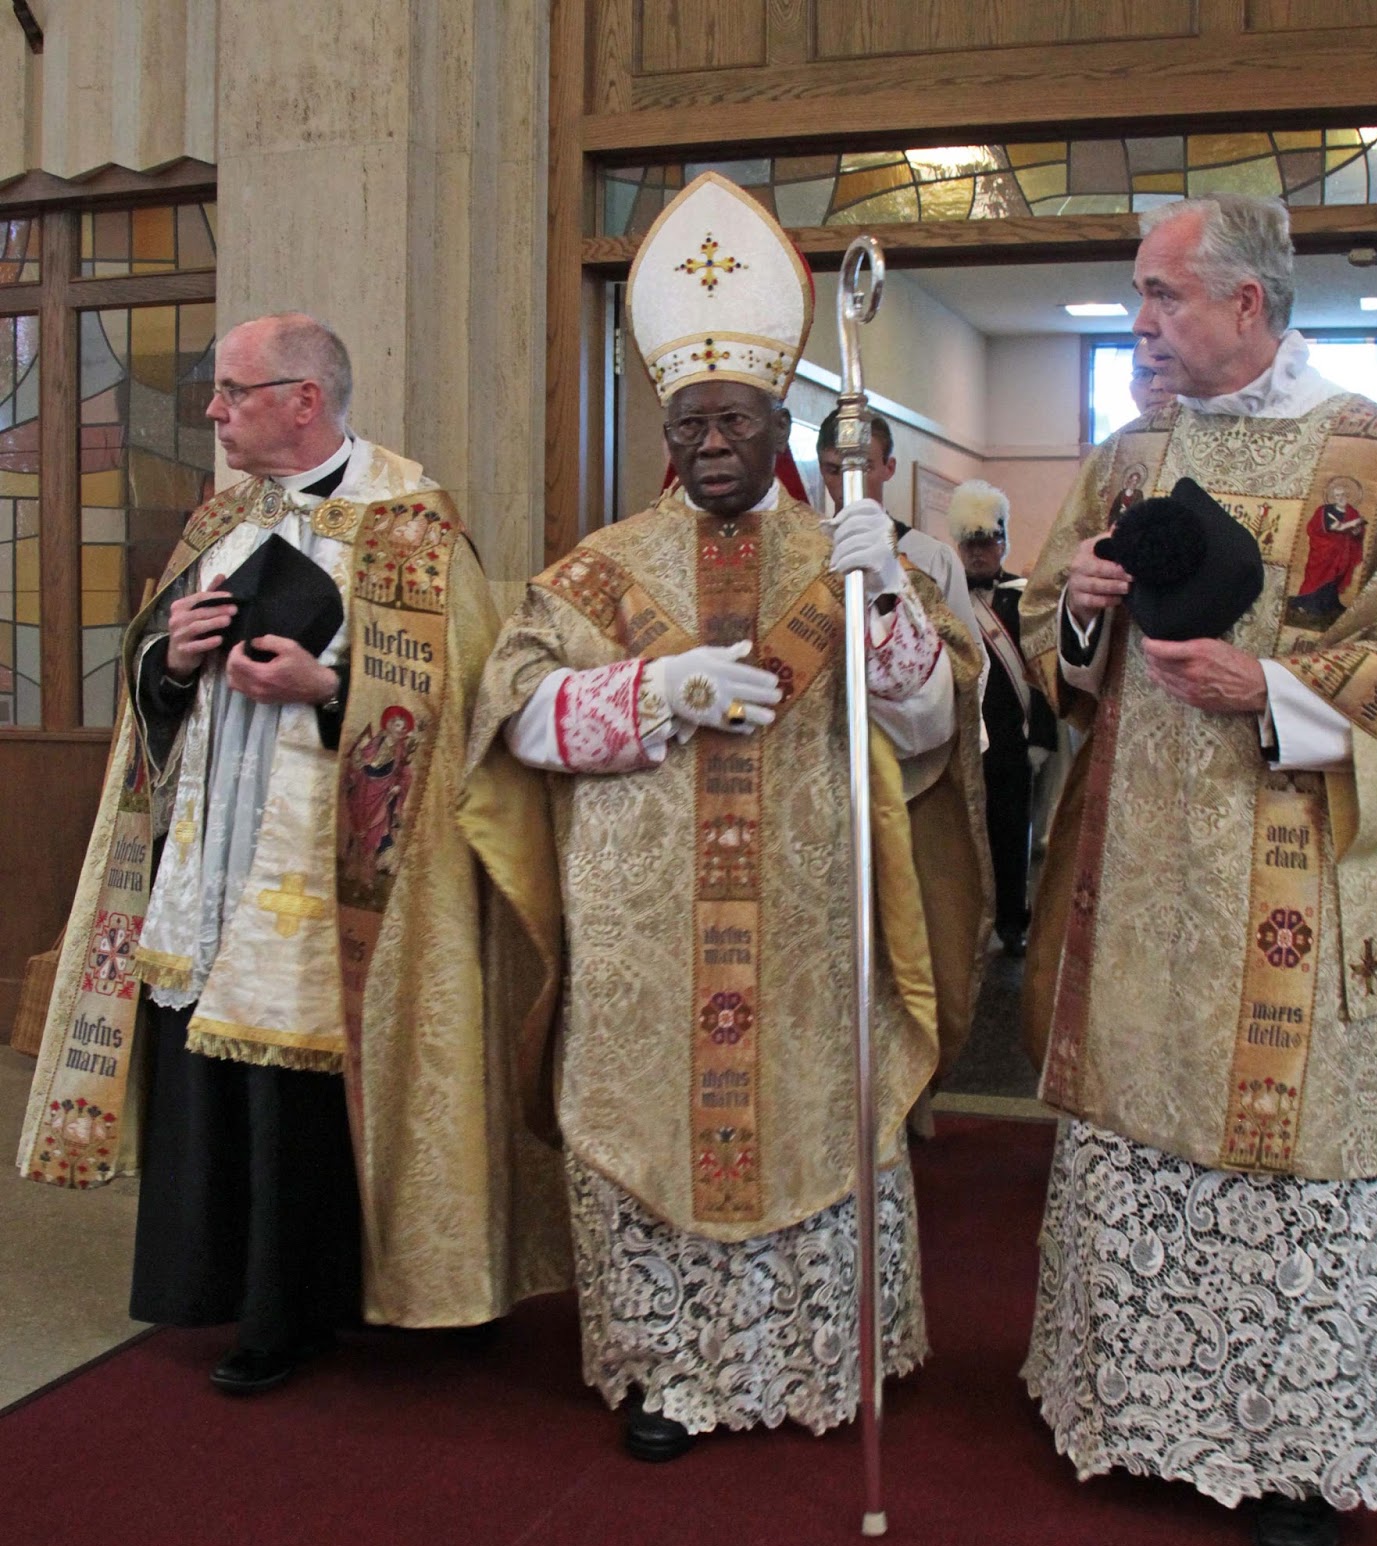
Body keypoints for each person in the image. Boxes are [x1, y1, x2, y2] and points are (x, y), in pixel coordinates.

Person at [1016, 196, 1377, 1546]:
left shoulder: (1373, 462)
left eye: (1160, 294)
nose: (1138, 321)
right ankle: (1126, 1407)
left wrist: (1277, 690)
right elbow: (1049, 641)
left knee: (1290, 1160)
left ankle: (1293, 1457)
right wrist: (1076, 604)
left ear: (1249, 304)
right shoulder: (1130, 455)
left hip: (1295, 875)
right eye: (1136, 296)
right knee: (1135, 1117)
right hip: (1138, 883)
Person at [461, 173, 988, 1463]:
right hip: (646, 947)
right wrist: (651, 688)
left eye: (734, 420)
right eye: (688, 420)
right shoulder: (597, 568)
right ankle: (663, 1373)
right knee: (650, 1138)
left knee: (817, 1128)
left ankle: (814, 1366)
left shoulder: (854, 558)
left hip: (809, 931)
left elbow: (929, 740)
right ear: (666, 426)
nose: (709, 443)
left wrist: (886, 608)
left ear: (778, 423)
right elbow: (512, 721)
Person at [18, 313, 567, 1393]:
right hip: (215, 853)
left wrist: (331, 690)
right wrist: (168, 662)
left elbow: (464, 695)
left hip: (340, 880)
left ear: (304, 399)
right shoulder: (220, 518)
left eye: (231, 390)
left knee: (309, 1093)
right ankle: (224, 1286)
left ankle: (307, 1309)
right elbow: (153, 674)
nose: (213, 412)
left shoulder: (412, 524)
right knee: (218, 1077)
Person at [950, 479, 1055, 958]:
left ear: (1003, 542)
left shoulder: (1025, 598)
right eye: (970, 542)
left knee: (1013, 837)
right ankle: (969, 921)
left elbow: (1043, 670)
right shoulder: (946, 600)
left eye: (988, 541)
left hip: (1013, 741)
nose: (978, 553)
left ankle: (1014, 922)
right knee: (964, 840)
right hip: (963, 740)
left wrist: (1043, 739)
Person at [816, 407, 984, 661]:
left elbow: (970, 659)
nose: (848, 483)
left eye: (864, 468)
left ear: (889, 467)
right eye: (833, 470)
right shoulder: (807, 550)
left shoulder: (934, 558)